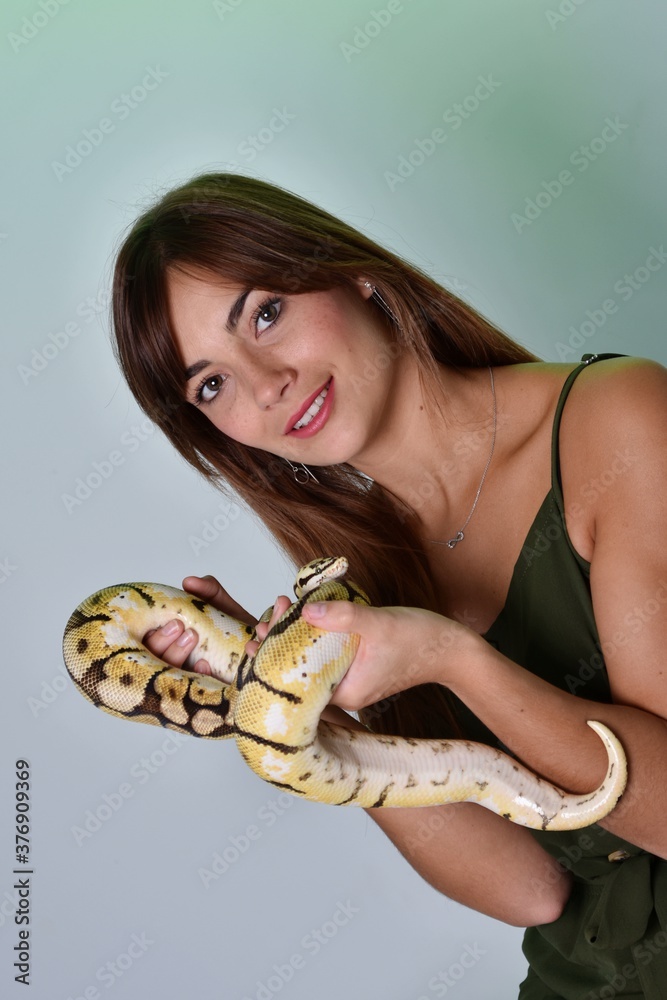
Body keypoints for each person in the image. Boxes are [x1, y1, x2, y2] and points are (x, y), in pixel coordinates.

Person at [111, 171, 667, 998]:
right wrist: (295, 721)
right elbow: (531, 890)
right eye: (212, 384)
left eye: (266, 313)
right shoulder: (358, 587)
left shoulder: (615, 419)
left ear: (352, 274)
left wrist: (453, 658)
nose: (266, 384)